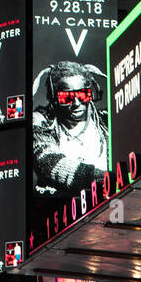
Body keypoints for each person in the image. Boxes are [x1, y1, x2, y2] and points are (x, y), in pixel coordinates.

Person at [32, 61, 108, 200]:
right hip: (61, 213)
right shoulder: (41, 122)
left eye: (82, 95)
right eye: (67, 97)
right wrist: (103, 178)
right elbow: (48, 163)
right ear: (54, 98)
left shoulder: (106, 121)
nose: (76, 103)